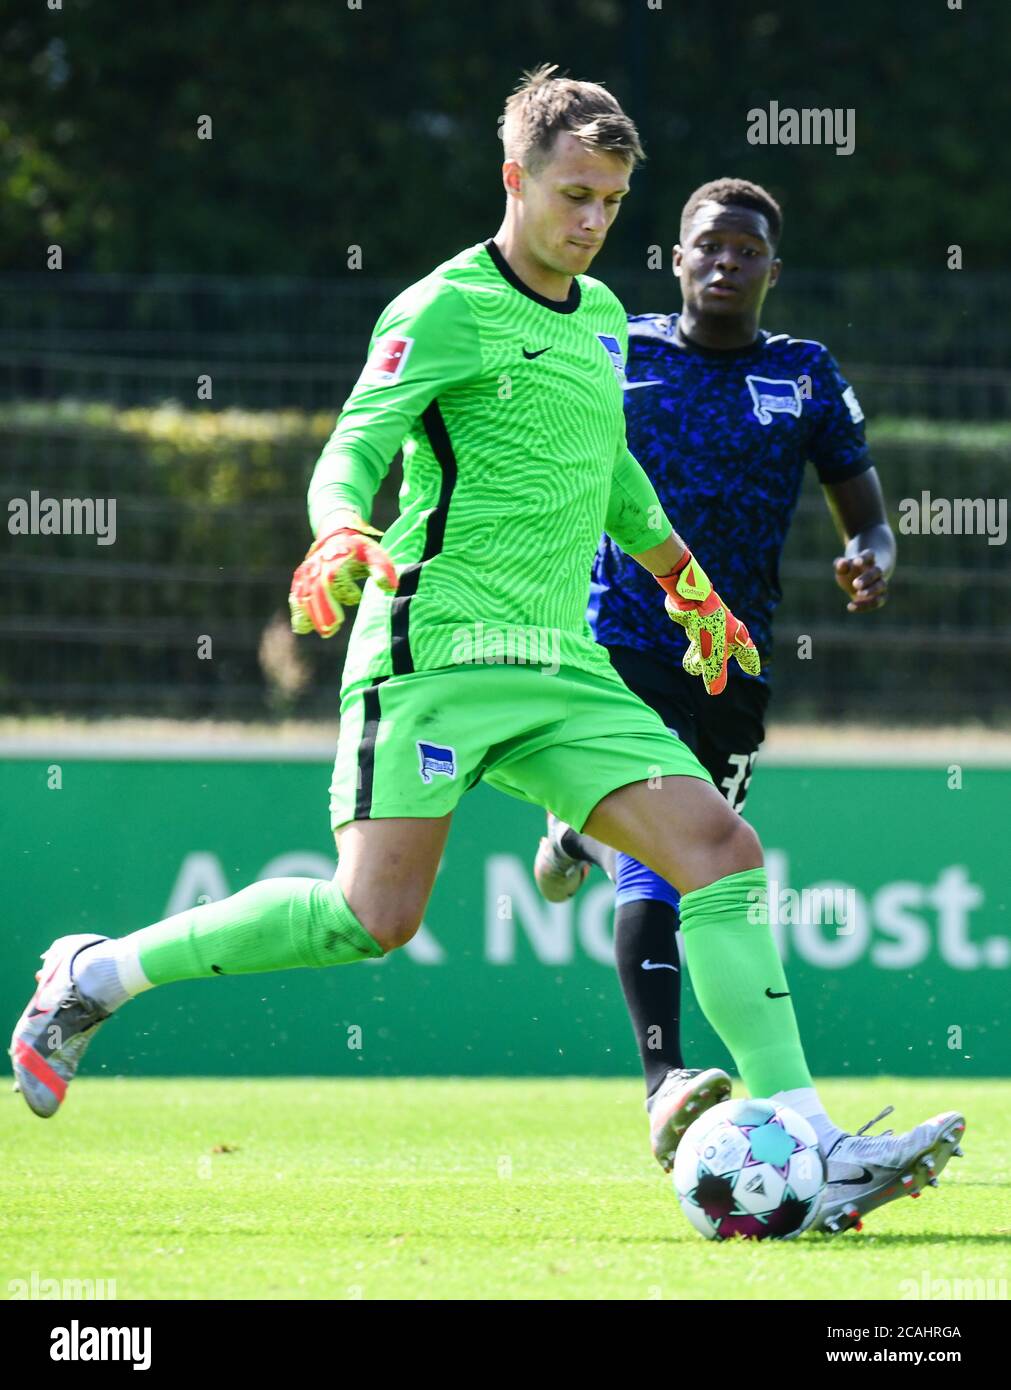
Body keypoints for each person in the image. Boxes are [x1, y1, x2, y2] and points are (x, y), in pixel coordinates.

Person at [10, 67, 963, 1237]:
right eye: (575, 195)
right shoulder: (443, 307)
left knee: (720, 850)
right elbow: (353, 446)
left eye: (612, 200)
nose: (594, 221)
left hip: (561, 667)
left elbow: (607, 471)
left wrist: (686, 586)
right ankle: (95, 973)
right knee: (373, 918)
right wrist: (340, 529)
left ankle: (810, 1133)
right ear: (515, 180)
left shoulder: (607, 319)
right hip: (435, 657)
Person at [534, 178, 917, 1216]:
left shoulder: (805, 374)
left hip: (733, 663)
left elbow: (866, 515)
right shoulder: (623, 348)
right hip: (618, 639)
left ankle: (577, 833)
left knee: (702, 859)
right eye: (708, 245)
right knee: (668, 869)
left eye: (747, 250)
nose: (726, 263)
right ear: (676, 257)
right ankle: (663, 1083)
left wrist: (868, 556)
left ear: (771, 270)